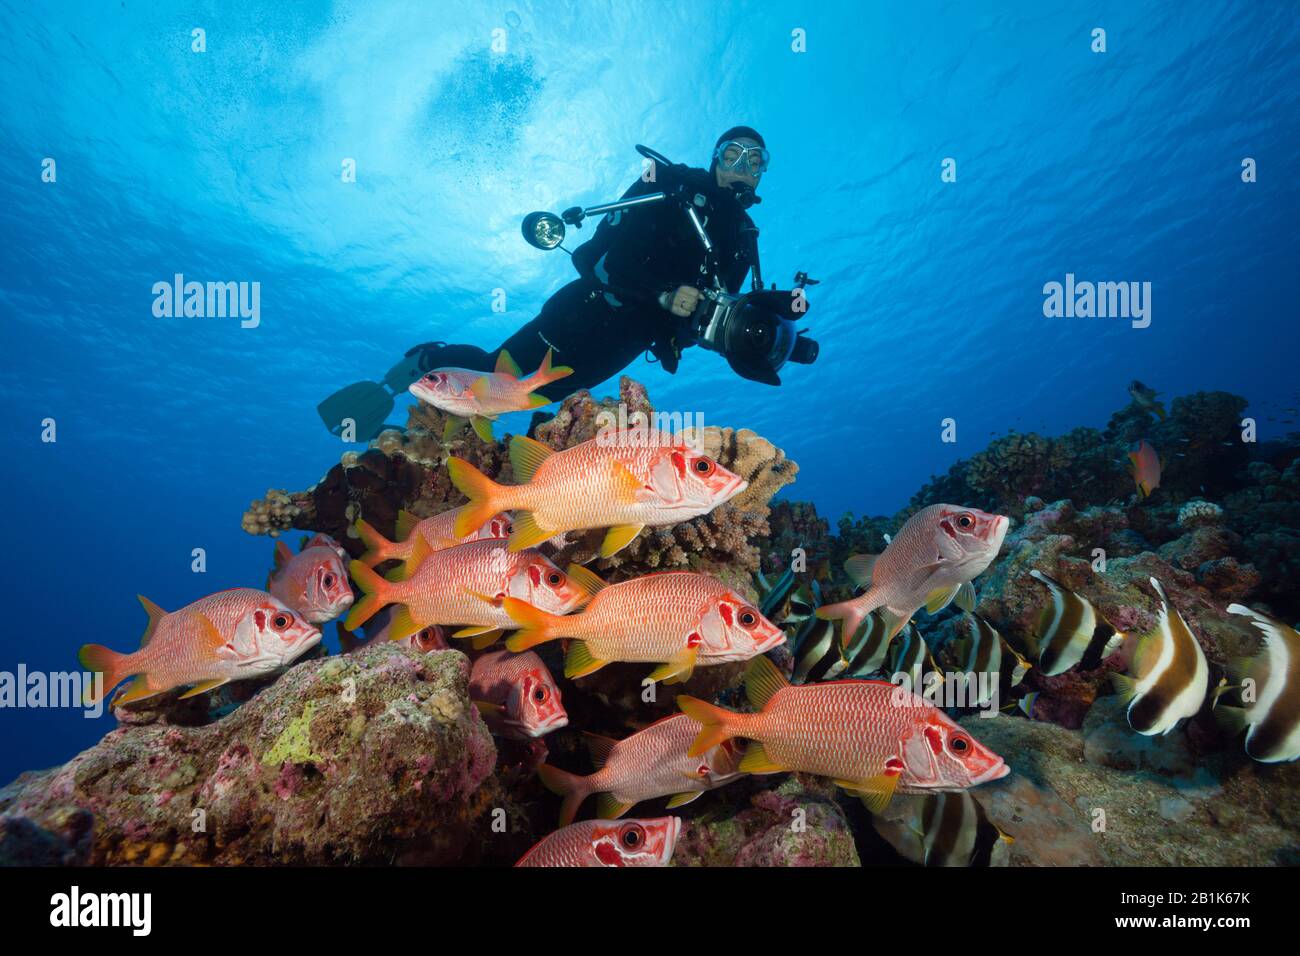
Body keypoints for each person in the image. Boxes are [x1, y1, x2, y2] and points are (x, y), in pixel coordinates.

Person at [318, 127, 775, 439]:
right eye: (731, 153)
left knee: (525, 400)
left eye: (754, 160)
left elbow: (715, 315)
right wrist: (662, 293)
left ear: (761, 173)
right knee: (499, 371)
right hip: (588, 308)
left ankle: (443, 437)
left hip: (630, 341)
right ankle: (420, 364)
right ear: (714, 159)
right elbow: (596, 256)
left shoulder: (743, 242)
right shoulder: (669, 188)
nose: (741, 165)